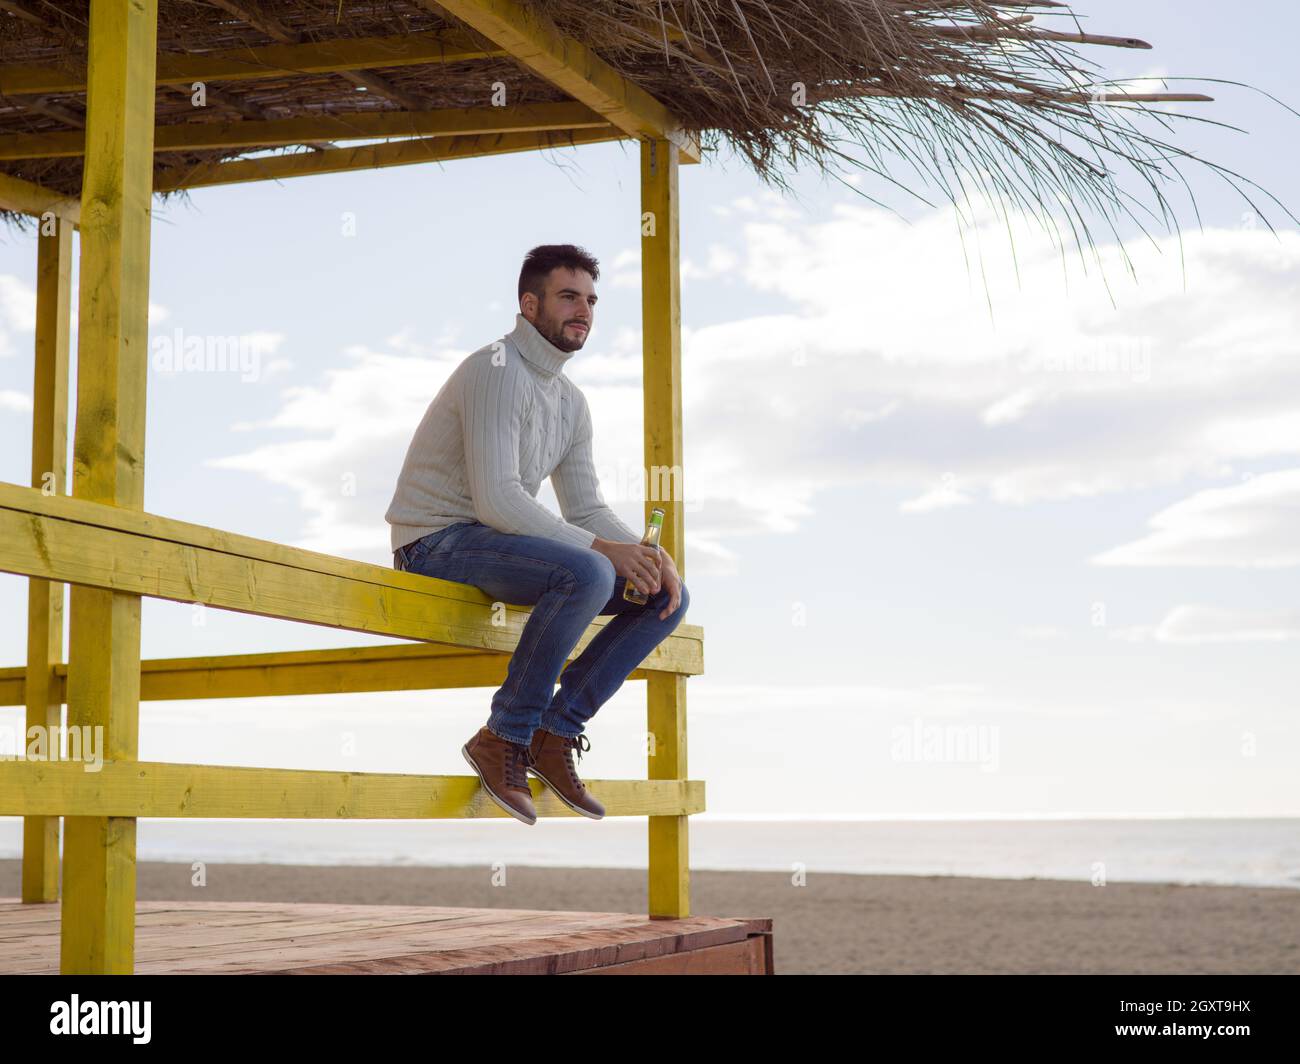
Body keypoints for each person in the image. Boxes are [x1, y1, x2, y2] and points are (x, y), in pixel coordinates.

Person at [384, 244, 690, 826]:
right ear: (529, 304)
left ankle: (556, 732)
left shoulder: (571, 402)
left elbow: (587, 507)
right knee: (591, 570)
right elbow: (499, 498)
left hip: (497, 545)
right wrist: (606, 553)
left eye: (591, 300)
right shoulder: (494, 368)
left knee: (665, 595)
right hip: (434, 542)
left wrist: (653, 555)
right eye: (568, 297)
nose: (584, 311)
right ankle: (505, 736)